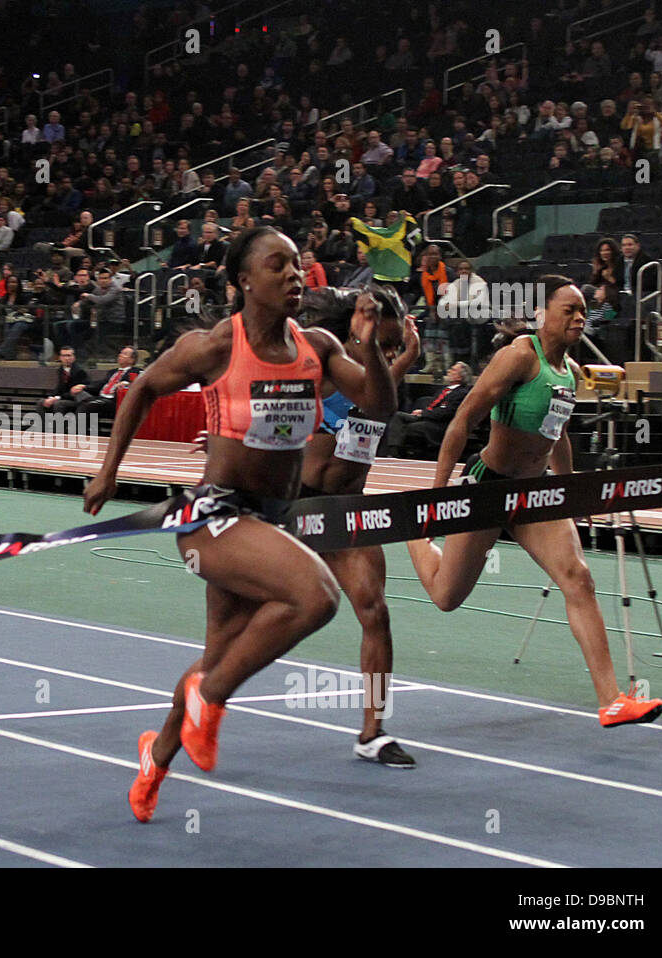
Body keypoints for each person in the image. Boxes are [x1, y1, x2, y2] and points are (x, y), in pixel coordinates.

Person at [83, 227, 395, 821]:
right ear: (243, 281)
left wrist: (371, 345)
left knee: (220, 653)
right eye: (277, 265)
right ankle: (212, 698)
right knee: (316, 597)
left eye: (298, 265)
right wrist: (108, 470)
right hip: (215, 514)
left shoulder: (321, 347)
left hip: (272, 520)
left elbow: (380, 405)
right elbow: (142, 388)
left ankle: (158, 755)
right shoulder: (215, 346)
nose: (293, 275)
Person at [405, 276, 662, 727]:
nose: (580, 317)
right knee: (446, 596)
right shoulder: (520, 356)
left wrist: (569, 492)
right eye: (570, 310)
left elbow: (557, 434)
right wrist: (437, 494)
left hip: (535, 493)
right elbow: (463, 422)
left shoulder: (569, 371)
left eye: (583, 310)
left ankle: (612, 700)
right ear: (543, 314)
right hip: (489, 487)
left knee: (578, 578)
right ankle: (415, 538)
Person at [296, 283, 421, 764]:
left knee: (375, 612)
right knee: (257, 616)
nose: (387, 353)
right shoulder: (325, 366)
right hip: (298, 508)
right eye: (383, 342)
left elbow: (378, 398)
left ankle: (373, 732)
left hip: (349, 511)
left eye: (394, 346)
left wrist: (405, 357)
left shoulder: (383, 376)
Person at [383, 362, 473, 458]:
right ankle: (392, 450)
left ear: (460, 377)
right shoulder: (444, 390)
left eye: (453, 370)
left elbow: (445, 412)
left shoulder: (462, 393)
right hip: (427, 416)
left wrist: (423, 413)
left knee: (412, 427)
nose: (449, 371)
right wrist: (422, 413)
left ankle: (401, 452)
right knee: (398, 416)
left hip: (439, 423)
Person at [36, 345, 88, 414]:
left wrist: (57, 398)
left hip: (75, 400)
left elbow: (74, 393)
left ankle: (59, 425)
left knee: (59, 404)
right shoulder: (60, 370)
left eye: (69, 355)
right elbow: (59, 388)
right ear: (60, 358)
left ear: (74, 357)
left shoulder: (79, 371)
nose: (66, 358)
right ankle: (43, 424)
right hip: (63, 398)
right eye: (63, 356)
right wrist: (51, 397)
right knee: (41, 402)